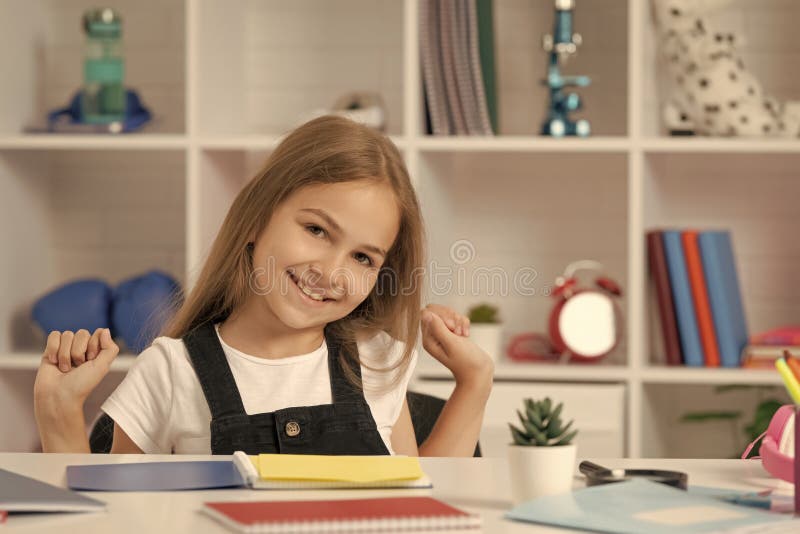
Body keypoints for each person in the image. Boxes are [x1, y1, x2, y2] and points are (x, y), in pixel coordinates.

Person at [33, 116, 494, 457]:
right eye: (316, 230)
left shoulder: (378, 362)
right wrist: (59, 417)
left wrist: (474, 381)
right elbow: (113, 521)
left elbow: (423, 504)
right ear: (257, 217)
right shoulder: (171, 372)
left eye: (362, 257)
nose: (332, 272)